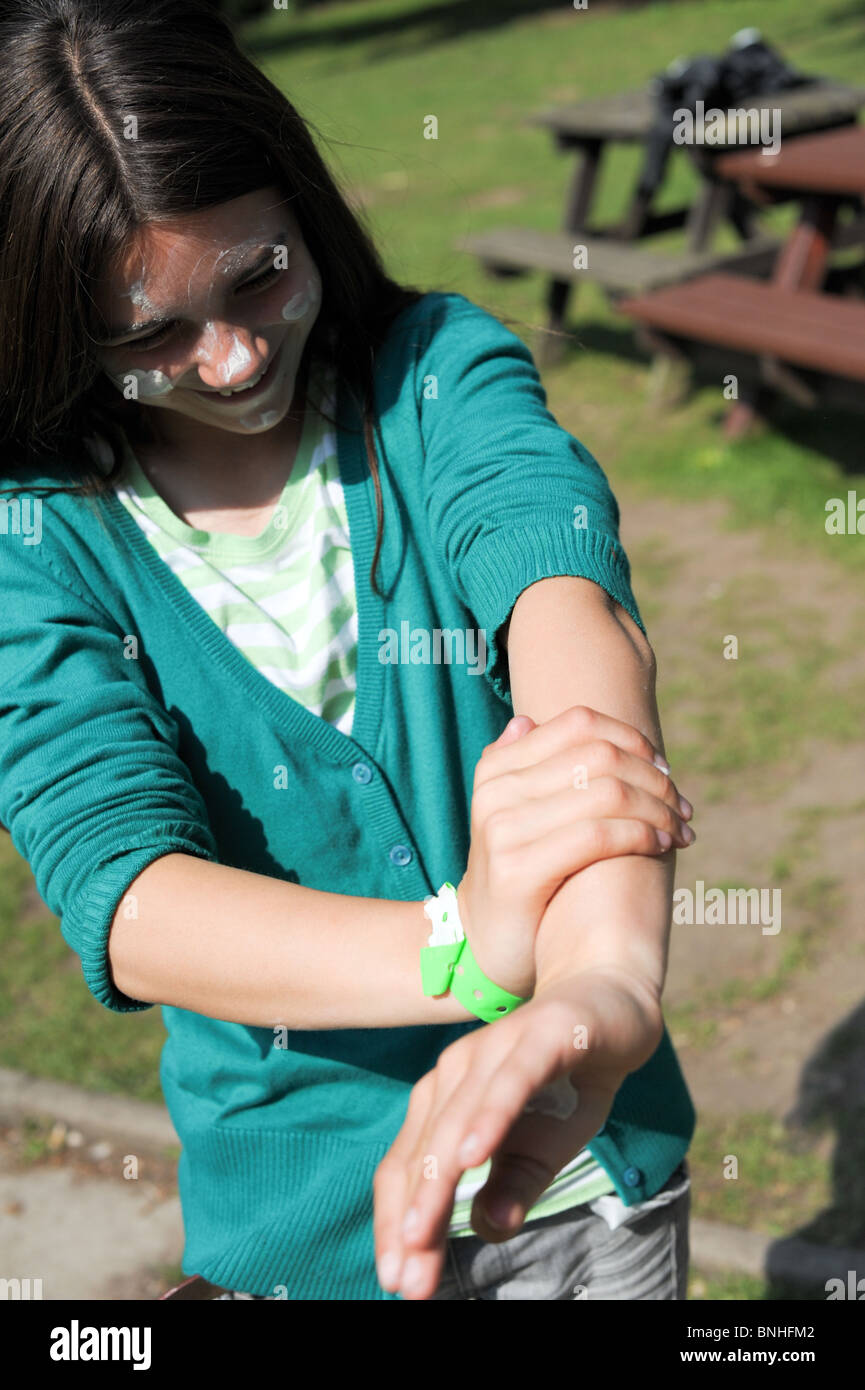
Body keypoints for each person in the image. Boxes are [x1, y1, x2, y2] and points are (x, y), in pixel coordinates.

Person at [0, 0, 696, 1301]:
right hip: (308, 1234)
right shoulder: (35, 533)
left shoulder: (434, 375)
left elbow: (564, 605)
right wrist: (469, 951)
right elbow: (126, 891)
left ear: (305, 206)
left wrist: (595, 997)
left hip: (588, 1192)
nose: (234, 354)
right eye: (152, 334)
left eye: (258, 275)